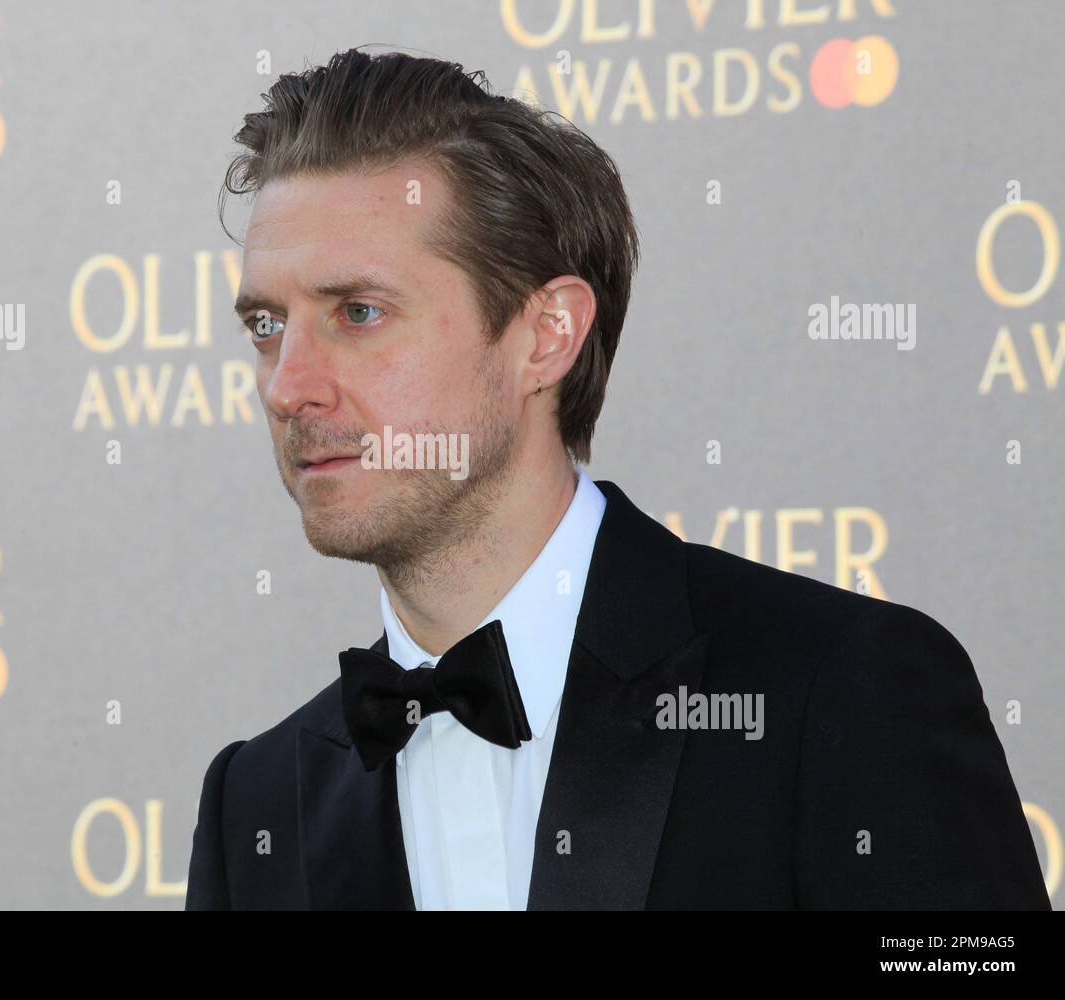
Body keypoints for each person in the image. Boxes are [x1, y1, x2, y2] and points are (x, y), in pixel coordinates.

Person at [185, 48, 1048, 910]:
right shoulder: (257, 803)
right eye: (266, 324)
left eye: (359, 313)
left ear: (547, 336)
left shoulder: (841, 694)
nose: (288, 385)